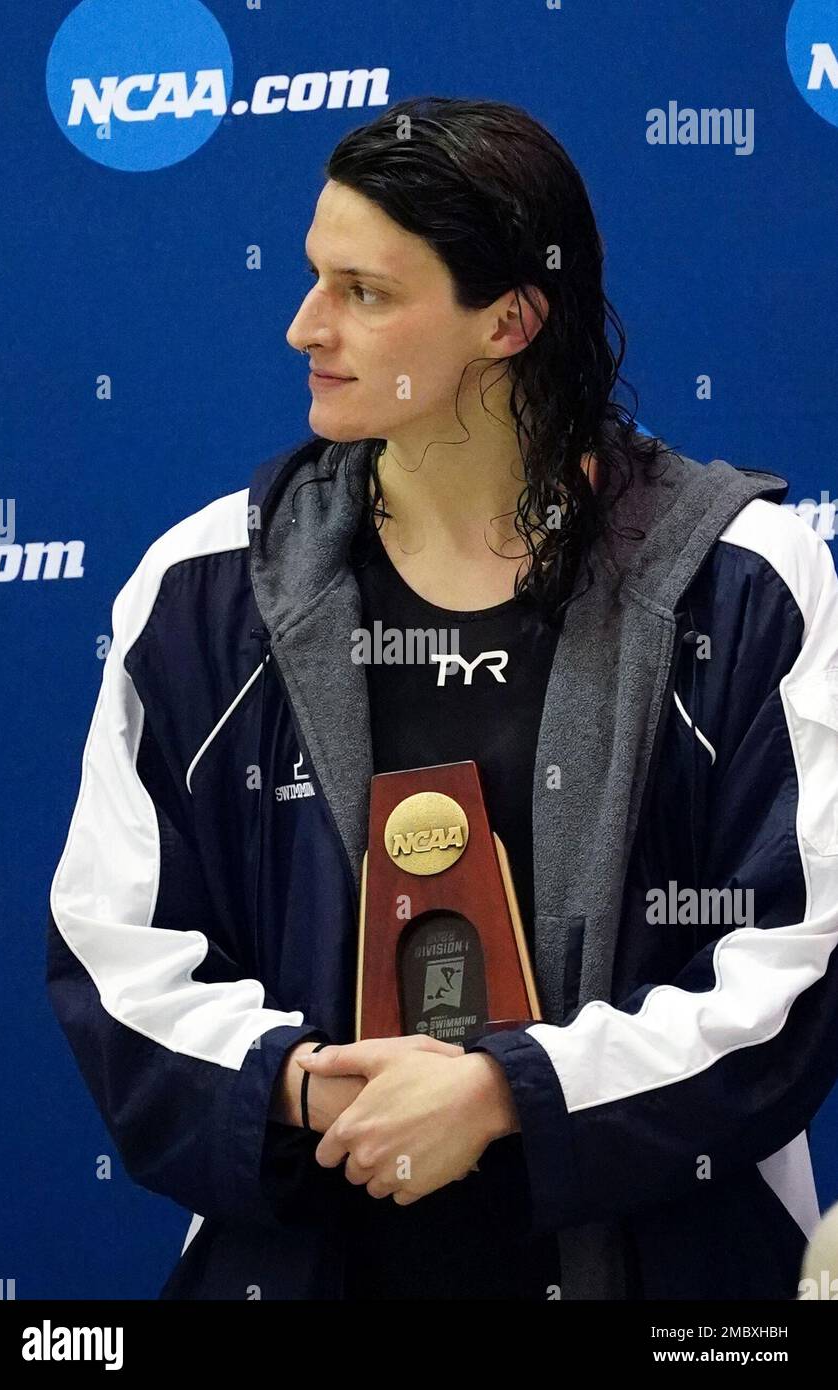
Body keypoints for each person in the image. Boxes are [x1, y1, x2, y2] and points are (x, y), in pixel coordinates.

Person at [46, 97, 838, 1301]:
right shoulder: (204, 588)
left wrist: (502, 1095)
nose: (303, 323)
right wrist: (302, 1084)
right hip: (317, 1257)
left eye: (363, 292)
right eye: (316, 277)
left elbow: (796, 960)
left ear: (509, 319)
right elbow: (114, 954)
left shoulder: (746, 584)